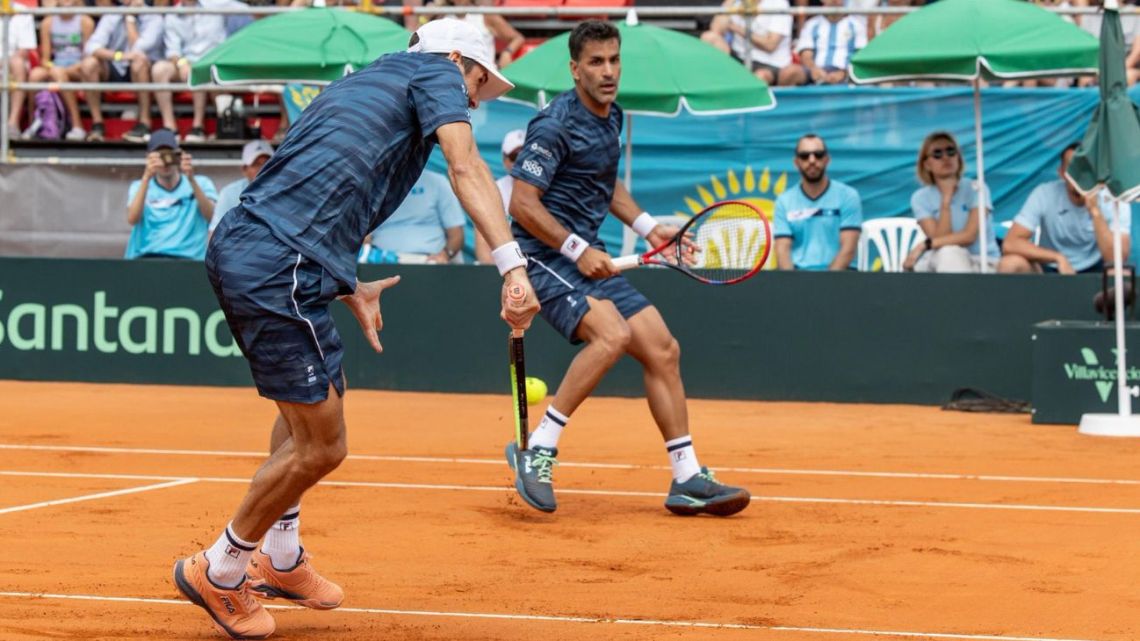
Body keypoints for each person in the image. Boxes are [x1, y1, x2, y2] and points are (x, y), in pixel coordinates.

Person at [175, 19, 538, 640]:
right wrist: (513, 266)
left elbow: (311, 186)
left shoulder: (363, 83)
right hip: (276, 262)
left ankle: (281, 558)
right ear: (455, 60)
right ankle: (221, 567)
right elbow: (466, 165)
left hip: (284, 257)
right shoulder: (434, 73)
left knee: (304, 417)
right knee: (323, 445)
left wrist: (346, 282)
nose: (475, 98)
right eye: (478, 80)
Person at [505, 21, 750, 517]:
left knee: (662, 349)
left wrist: (648, 227)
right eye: (596, 62)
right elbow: (522, 204)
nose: (608, 71)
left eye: (614, 60)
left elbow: (606, 184)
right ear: (575, 70)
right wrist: (576, 248)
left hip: (587, 254)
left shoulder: (611, 117)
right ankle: (539, 450)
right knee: (612, 336)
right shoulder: (553, 124)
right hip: (543, 258)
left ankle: (686, 478)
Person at [998, 143, 1130, 274]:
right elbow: (1010, 243)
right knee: (1009, 264)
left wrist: (1095, 211)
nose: (1079, 177)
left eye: (1085, 169)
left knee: (1121, 273)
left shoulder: (1114, 199)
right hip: (1050, 267)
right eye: (1072, 170)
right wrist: (1058, 258)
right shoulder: (1044, 194)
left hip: (1095, 268)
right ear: (1061, 172)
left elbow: (1117, 258)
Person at [903, 131, 1000, 273]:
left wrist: (924, 245)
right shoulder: (920, 197)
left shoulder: (977, 188)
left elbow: (969, 236)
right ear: (927, 164)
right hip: (942, 259)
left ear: (959, 157)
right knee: (948, 253)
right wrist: (946, 201)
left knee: (949, 254)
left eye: (951, 151)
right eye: (937, 154)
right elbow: (941, 242)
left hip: (983, 261)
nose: (945, 157)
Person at [154, 0, 248, 141]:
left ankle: (198, 126)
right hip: (184, 63)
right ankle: (170, 128)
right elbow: (173, 51)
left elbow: (246, 10)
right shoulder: (172, 15)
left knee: (199, 68)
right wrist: (181, 63)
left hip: (213, 62)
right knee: (159, 69)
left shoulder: (216, 3)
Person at [773, 134, 863, 271]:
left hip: (841, 278)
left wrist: (824, 286)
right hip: (798, 279)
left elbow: (848, 249)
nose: (812, 160)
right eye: (804, 156)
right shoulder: (784, 201)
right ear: (796, 162)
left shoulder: (848, 196)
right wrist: (790, 285)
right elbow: (782, 250)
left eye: (818, 154)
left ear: (827, 159)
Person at [124, 128, 218, 260]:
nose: (165, 161)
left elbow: (212, 218)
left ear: (178, 155)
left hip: (189, 260)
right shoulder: (139, 186)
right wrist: (146, 176)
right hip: (147, 257)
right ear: (148, 157)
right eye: (159, 155)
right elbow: (132, 219)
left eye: (170, 154)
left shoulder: (202, 183)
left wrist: (191, 178)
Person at [79, 0, 163, 142]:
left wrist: (129, 18)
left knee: (139, 63)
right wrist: (119, 56)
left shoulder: (154, 17)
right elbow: (91, 47)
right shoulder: (111, 15)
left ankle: (144, 122)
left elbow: (137, 49)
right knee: (89, 64)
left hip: (141, 71)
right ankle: (97, 124)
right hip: (115, 67)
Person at [361, 170, 467, 264]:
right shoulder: (374, 185)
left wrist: (445, 255)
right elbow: (364, 235)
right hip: (381, 261)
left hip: (428, 261)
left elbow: (456, 233)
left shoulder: (438, 182)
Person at [26, 0, 95, 141]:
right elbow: (45, 59)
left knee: (60, 73)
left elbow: (88, 55)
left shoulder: (85, 21)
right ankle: (33, 123)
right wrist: (51, 67)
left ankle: (77, 126)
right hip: (56, 66)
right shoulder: (48, 22)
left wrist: (67, 68)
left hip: (78, 67)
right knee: (35, 75)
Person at [699, 0, 793, 84]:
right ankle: (714, 87)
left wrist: (735, 28)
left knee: (759, 76)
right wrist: (729, 2)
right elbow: (716, 30)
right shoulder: (737, 2)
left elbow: (770, 45)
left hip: (768, 63)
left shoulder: (779, 3)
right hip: (739, 58)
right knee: (709, 37)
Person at [777, 0, 866, 86]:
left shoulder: (857, 25)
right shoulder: (812, 24)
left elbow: (860, 56)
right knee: (788, 73)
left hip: (847, 72)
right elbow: (806, 55)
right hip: (816, 70)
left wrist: (845, 72)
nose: (834, 0)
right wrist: (813, 69)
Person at [474, 128, 525, 264]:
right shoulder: (492, 190)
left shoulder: (553, 190)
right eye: (515, 156)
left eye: (526, 155)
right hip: (503, 268)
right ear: (504, 160)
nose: (521, 161)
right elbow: (483, 245)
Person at [209, 139, 274, 240]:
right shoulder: (229, 193)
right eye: (256, 164)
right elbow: (214, 234)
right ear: (244, 169)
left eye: (267, 163)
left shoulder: (286, 192)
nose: (263, 168)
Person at [4, 11, 37, 136]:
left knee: (18, 64)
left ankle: (12, 124)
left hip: (13, 66)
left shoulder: (23, 12)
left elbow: (24, 51)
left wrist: (4, 64)